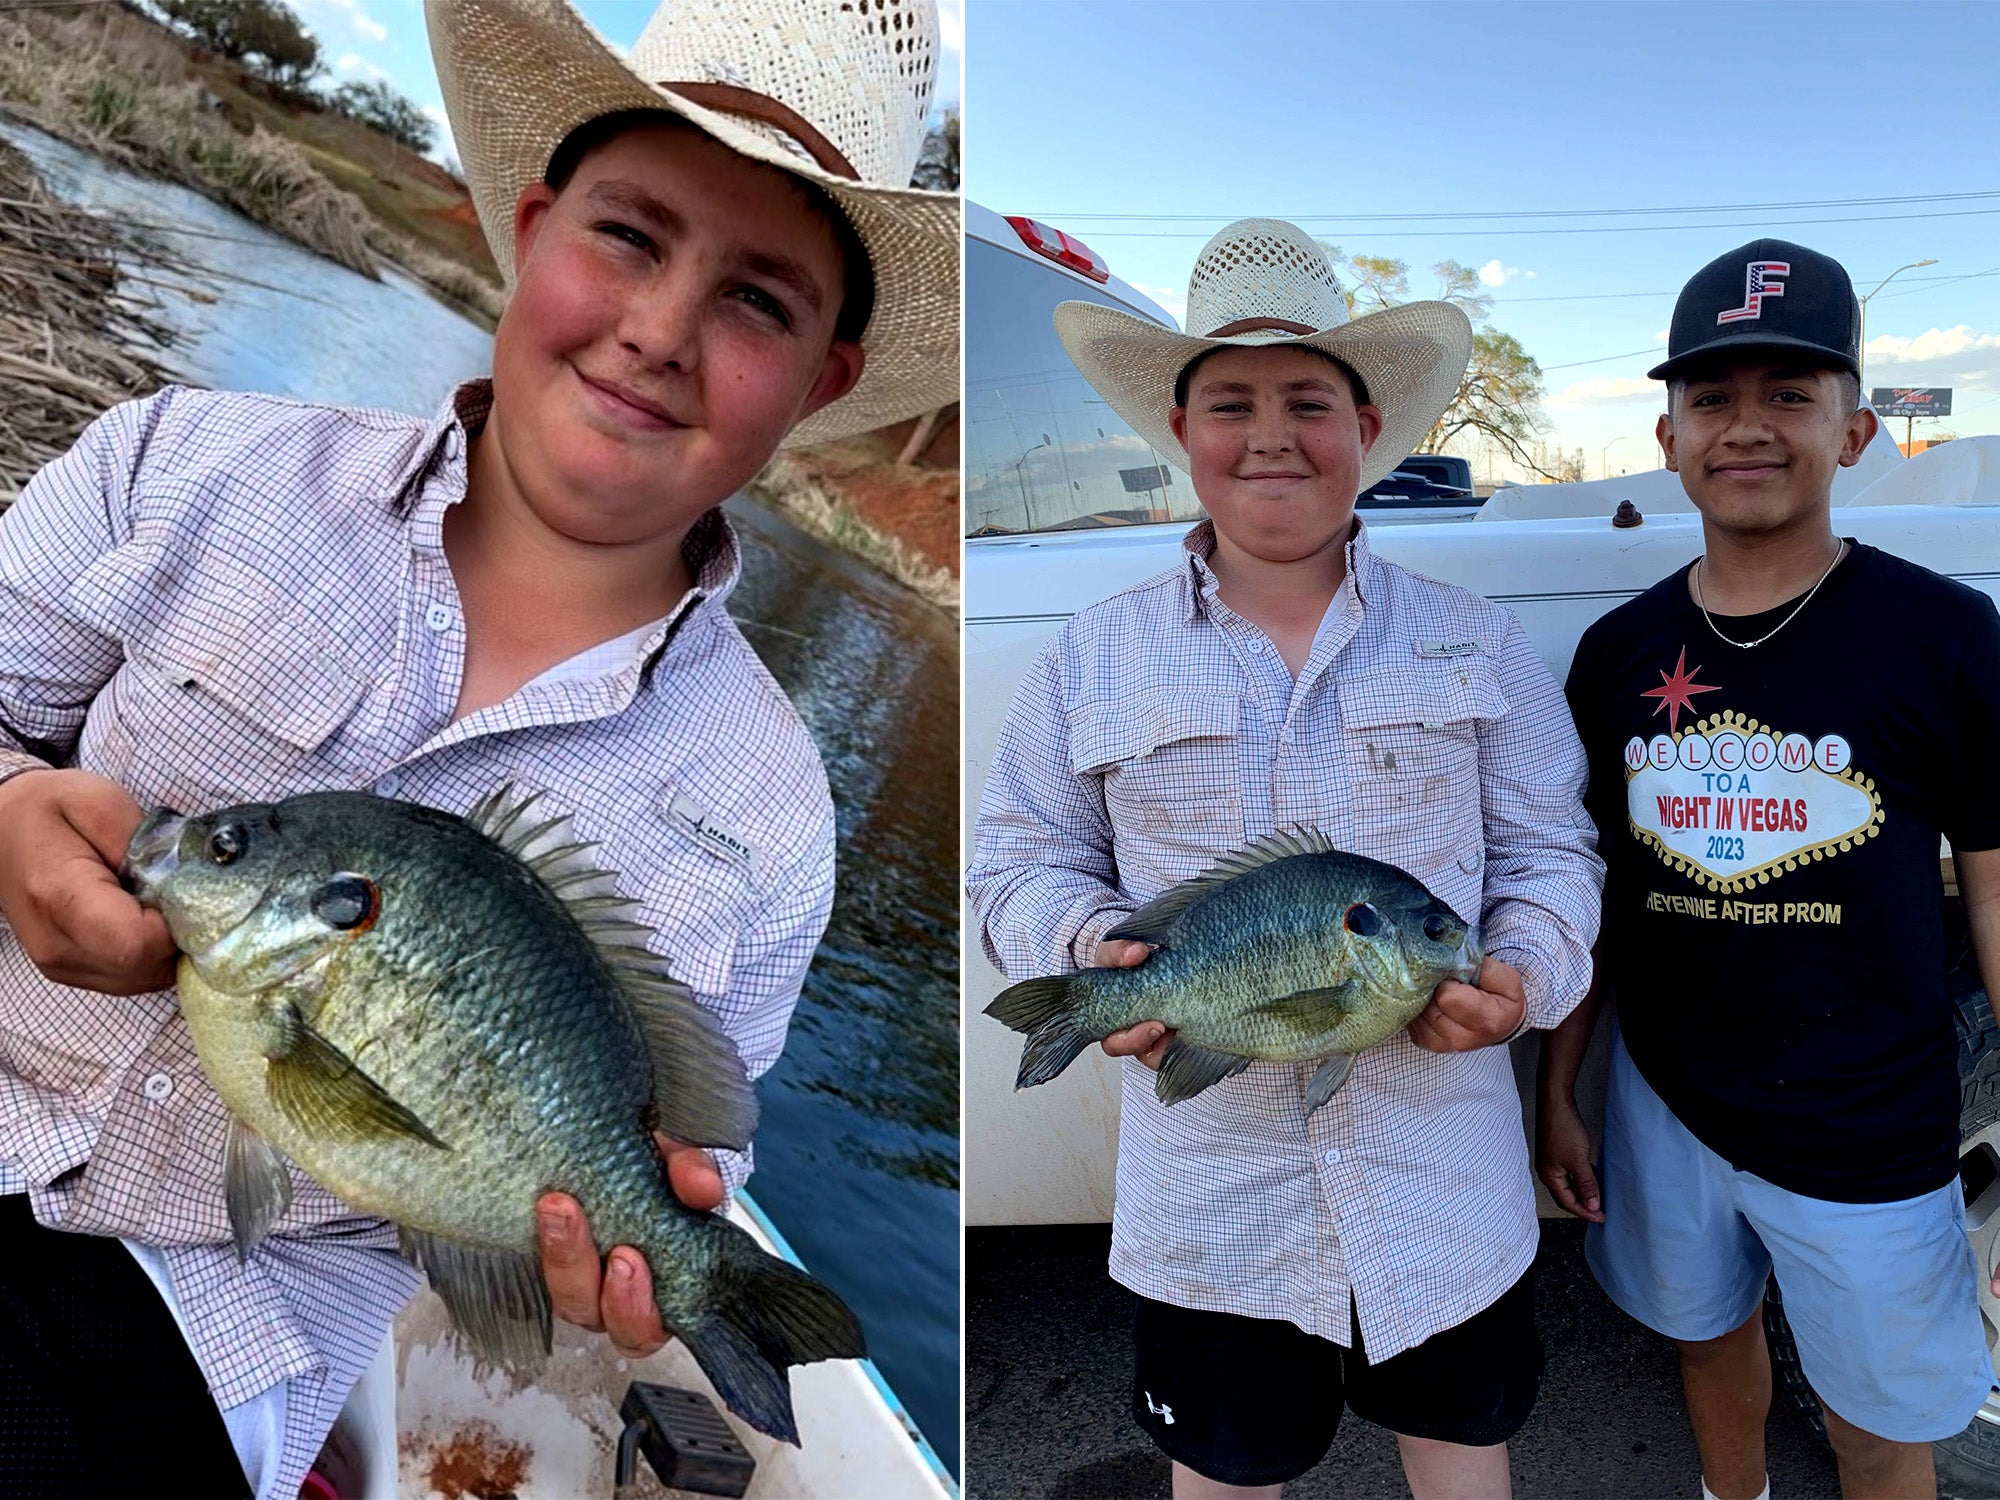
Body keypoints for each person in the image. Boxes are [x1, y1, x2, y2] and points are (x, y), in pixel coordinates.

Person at [0, 0, 956, 1493]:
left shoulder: (770, 815)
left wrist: (657, 1232)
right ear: (530, 227)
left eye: (760, 299)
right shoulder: (176, 464)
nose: (657, 328)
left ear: (825, 379)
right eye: (629, 234)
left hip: (222, 1316)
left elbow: (697, 1141)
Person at [967, 219, 1602, 1500]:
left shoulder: (1472, 644)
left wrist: (1520, 979)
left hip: (1442, 1198)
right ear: (1181, 433)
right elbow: (1015, 864)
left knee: (1465, 1456)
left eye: (1307, 400)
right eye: (1231, 403)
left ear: (1365, 426)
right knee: (1221, 1473)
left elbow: (1550, 854)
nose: (1270, 435)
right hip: (1215, 1210)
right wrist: (1090, 958)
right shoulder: (1091, 654)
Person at [1539, 238, 2000, 1500]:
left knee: (1878, 1426)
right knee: (1703, 1341)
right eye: (1712, 398)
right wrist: (1562, 1088)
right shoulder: (1614, 653)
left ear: (1853, 430)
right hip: (1664, 1103)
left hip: (1869, 1124)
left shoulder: (1944, 635)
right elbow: (1592, 896)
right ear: (1668, 434)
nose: (1747, 427)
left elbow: (1995, 882)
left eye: (1788, 395)